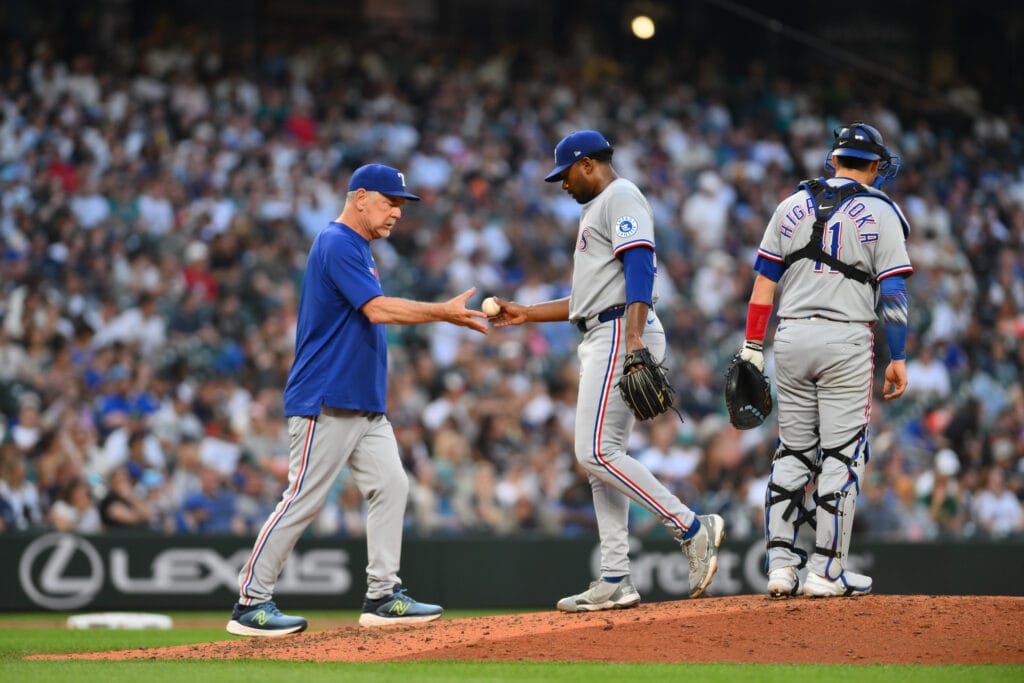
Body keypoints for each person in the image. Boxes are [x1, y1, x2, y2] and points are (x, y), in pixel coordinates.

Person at [227, 164, 489, 637]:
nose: (397, 214)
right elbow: (378, 309)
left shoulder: (359, 247)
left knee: (393, 486)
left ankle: (382, 596)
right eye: (391, 202)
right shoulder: (337, 242)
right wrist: (443, 313)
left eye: (401, 206)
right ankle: (251, 602)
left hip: (363, 402)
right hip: (325, 397)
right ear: (361, 196)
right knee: (303, 500)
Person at [486, 130, 725, 612]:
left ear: (589, 164)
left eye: (567, 173)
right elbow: (586, 300)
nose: (563, 184)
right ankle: (616, 577)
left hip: (621, 328)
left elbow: (640, 265)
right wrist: (527, 313)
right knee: (603, 459)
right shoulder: (597, 208)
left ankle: (692, 528)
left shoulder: (621, 194)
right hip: (604, 326)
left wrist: (634, 336)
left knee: (593, 451)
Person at [739, 122, 914, 598]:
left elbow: (762, 287)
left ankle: (779, 566)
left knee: (793, 451)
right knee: (842, 454)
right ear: (876, 166)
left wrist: (753, 347)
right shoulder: (883, 211)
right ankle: (826, 569)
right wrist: (898, 357)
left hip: (790, 337)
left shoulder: (790, 204)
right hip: (845, 340)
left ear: (833, 160)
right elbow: (893, 292)